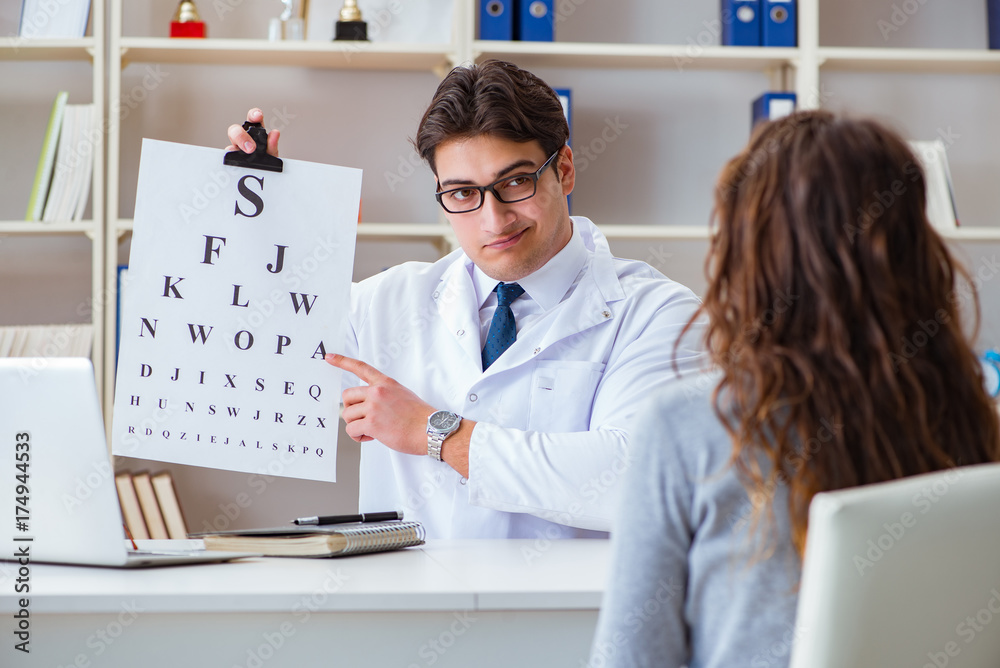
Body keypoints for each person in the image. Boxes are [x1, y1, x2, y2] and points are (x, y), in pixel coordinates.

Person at [227, 60, 706, 539]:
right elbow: (238, 366)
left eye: (516, 182)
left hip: (564, 613)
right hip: (407, 609)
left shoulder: (659, 315)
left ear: (563, 169)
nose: (493, 220)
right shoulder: (382, 304)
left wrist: (432, 432)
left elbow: (639, 481)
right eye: (461, 193)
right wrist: (255, 219)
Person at [589, 110, 1000, 667]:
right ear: (915, 254)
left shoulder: (688, 428)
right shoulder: (972, 418)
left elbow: (631, 659)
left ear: (752, 256)